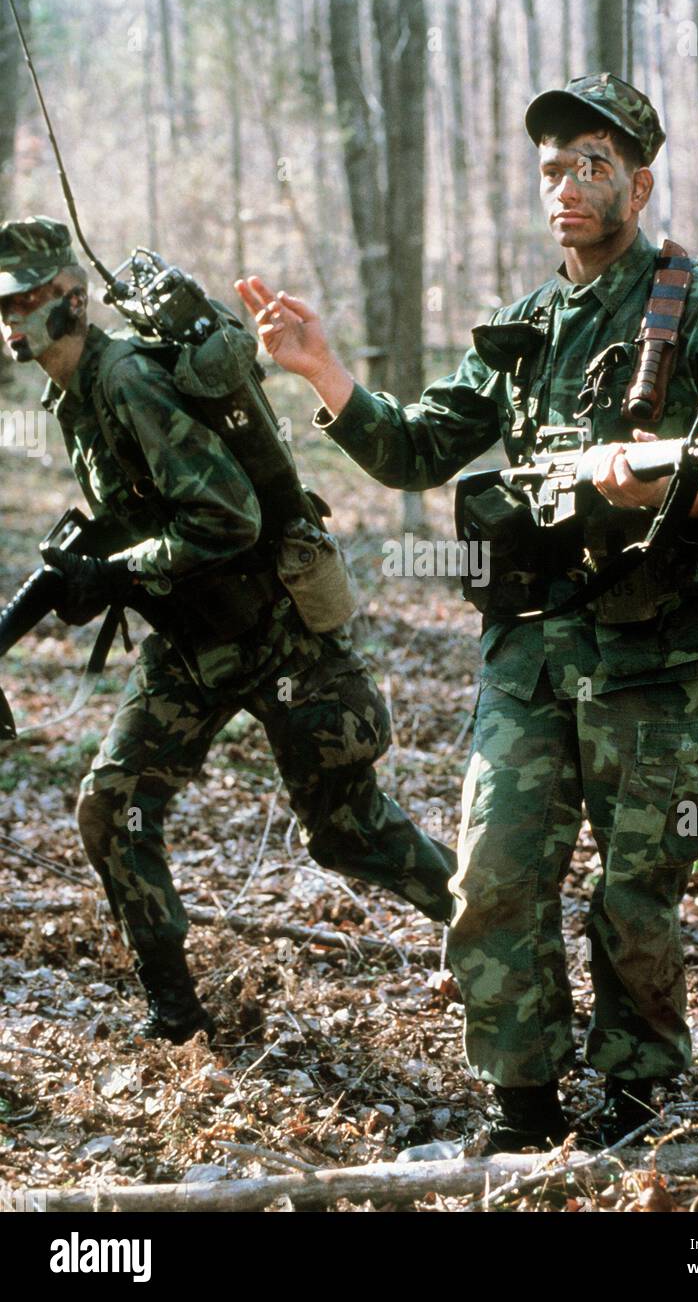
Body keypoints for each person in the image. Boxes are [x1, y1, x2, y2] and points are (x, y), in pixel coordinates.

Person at [236, 72, 698, 1148]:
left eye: (591, 166)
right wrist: (322, 371)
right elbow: (413, 448)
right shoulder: (523, 328)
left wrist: (661, 493)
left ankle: (636, 1106)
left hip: (653, 659)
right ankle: (523, 1106)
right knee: (490, 878)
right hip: (532, 657)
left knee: (633, 903)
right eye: (551, 169)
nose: (567, 187)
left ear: (637, 181)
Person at [0, 215, 455, 1044]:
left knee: (348, 833)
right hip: (191, 637)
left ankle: (498, 937)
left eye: (26, 302)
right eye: (2, 307)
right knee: (114, 807)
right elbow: (143, 514)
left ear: (72, 298)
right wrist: (96, 565)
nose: (12, 321)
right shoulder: (68, 398)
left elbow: (228, 517)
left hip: (278, 629)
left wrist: (116, 571)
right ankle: (175, 1019)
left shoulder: (127, 377)